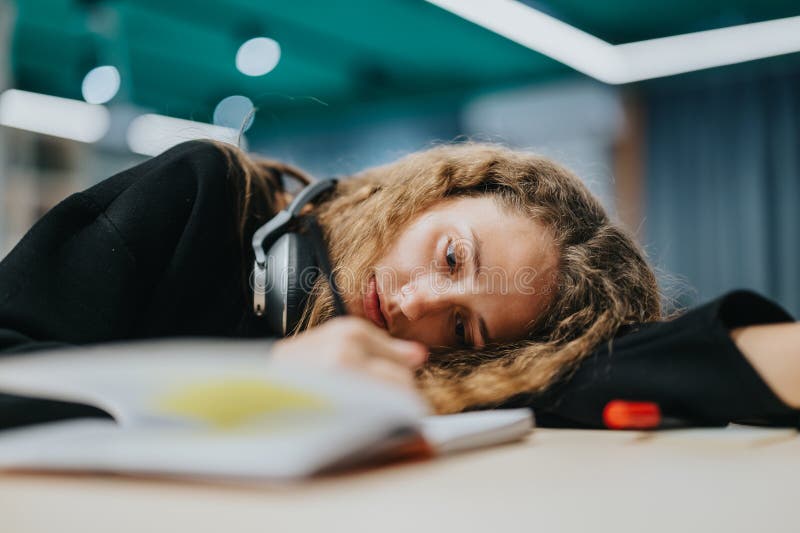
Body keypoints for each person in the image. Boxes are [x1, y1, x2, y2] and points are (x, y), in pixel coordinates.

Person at [0, 139, 797, 430]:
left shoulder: (420, 372)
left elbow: (582, 373)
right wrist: (256, 379)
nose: (416, 307)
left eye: (463, 329)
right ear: (433, 190)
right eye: (451, 257)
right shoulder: (202, 197)